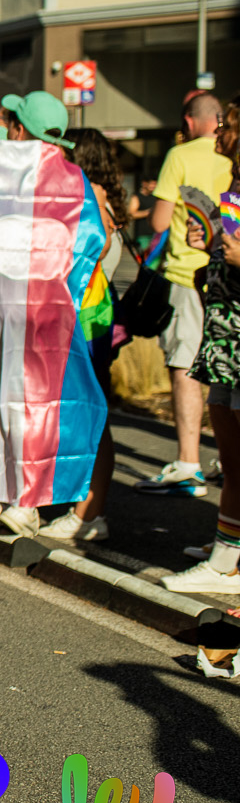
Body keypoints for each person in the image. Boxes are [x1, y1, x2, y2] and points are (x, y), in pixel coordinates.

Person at [0, 92, 107, 539]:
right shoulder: (72, 176)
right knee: (36, 402)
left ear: (18, 127)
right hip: (47, 310)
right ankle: (24, 502)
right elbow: (94, 239)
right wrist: (64, 291)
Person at [160, 98, 240, 600]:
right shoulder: (232, 185)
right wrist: (211, 242)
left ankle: (227, 563)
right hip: (226, 330)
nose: (218, 133)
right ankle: (228, 549)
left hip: (237, 333)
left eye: (228, 126)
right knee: (229, 453)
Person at [137, 91, 233, 498]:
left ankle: (188, 461)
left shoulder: (180, 155)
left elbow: (160, 220)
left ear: (192, 121)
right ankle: (227, 464)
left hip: (185, 270)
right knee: (227, 373)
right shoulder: (233, 160)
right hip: (229, 274)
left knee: (185, 365)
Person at [47, 128, 128, 544]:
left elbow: (88, 252)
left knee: (91, 414)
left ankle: (89, 512)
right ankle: (82, 505)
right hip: (89, 311)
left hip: (89, 314)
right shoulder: (94, 193)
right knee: (85, 413)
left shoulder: (90, 194)